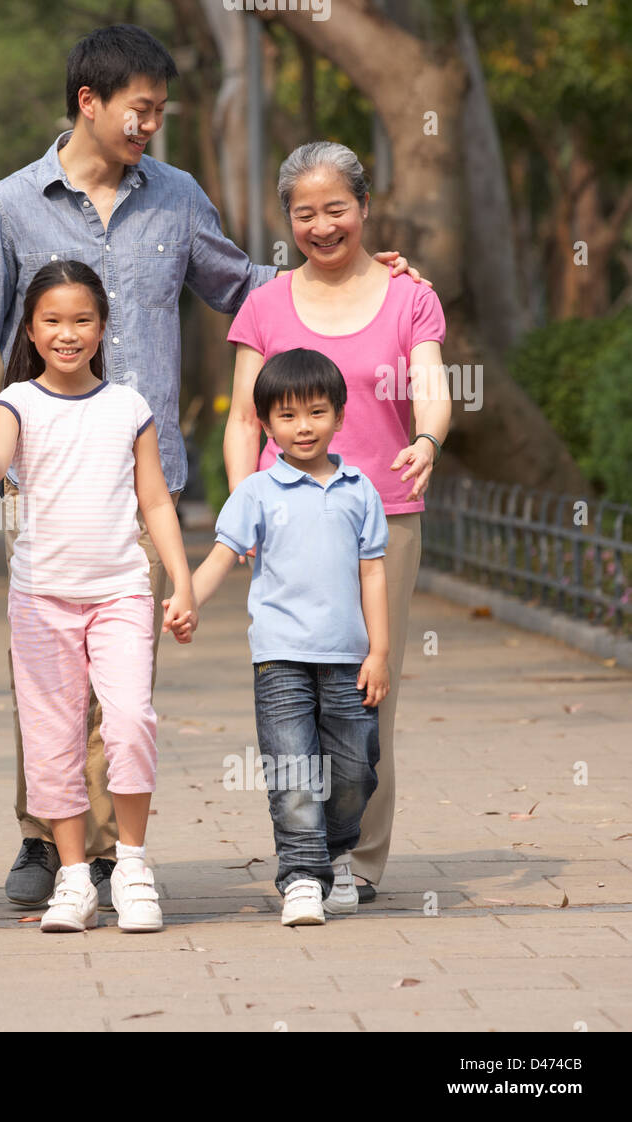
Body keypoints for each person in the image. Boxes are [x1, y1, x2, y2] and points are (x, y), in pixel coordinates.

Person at [0, 25, 424, 910]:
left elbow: (246, 287)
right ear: (89, 102)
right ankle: (43, 838)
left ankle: (105, 852)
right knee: (51, 668)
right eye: (142, 109)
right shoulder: (9, 204)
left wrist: (356, 275)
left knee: (124, 680)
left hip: (145, 474)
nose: (152, 127)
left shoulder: (175, 196)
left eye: (162, 111)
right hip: (43, 475)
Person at [223, 141, 449, 902]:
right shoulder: (266, 303)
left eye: (336, 209)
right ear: (288, 218)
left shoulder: (410, 295)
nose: (322, 226)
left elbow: (432, 386)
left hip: (384, 517)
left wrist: (427, 438)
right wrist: (243, 508)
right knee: (292, 689)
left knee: (369, 689)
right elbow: (240, 420)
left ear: (364, 207)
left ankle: (358, 859)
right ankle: (304, 860)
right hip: (285, 524)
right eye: (304, 213)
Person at [0, 260, 194, 934]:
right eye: (53, 321)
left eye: (82, 320)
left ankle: (134, 867)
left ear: (103, 326)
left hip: (121, 591)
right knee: (52, 741)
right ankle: (72, 879)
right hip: (41, 600)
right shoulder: (17, 405)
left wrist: (178, 579)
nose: (68, 334)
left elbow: (154, 499)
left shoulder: (129, 407)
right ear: (30, 329)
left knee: (129, 722)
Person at [187, 349, 389, 925]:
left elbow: (373, 572)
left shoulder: (359, 491)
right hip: (279, 658)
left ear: (340, 416)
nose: (303, 427)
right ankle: (301, 876)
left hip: (348, 657)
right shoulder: (256, 491)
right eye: (287, 416)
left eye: (316, 412)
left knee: (354, 769)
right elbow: (224, 553)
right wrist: (187, 602)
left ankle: (336, 852)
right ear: (267, 425)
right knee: (293, 768)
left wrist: (380, 651)